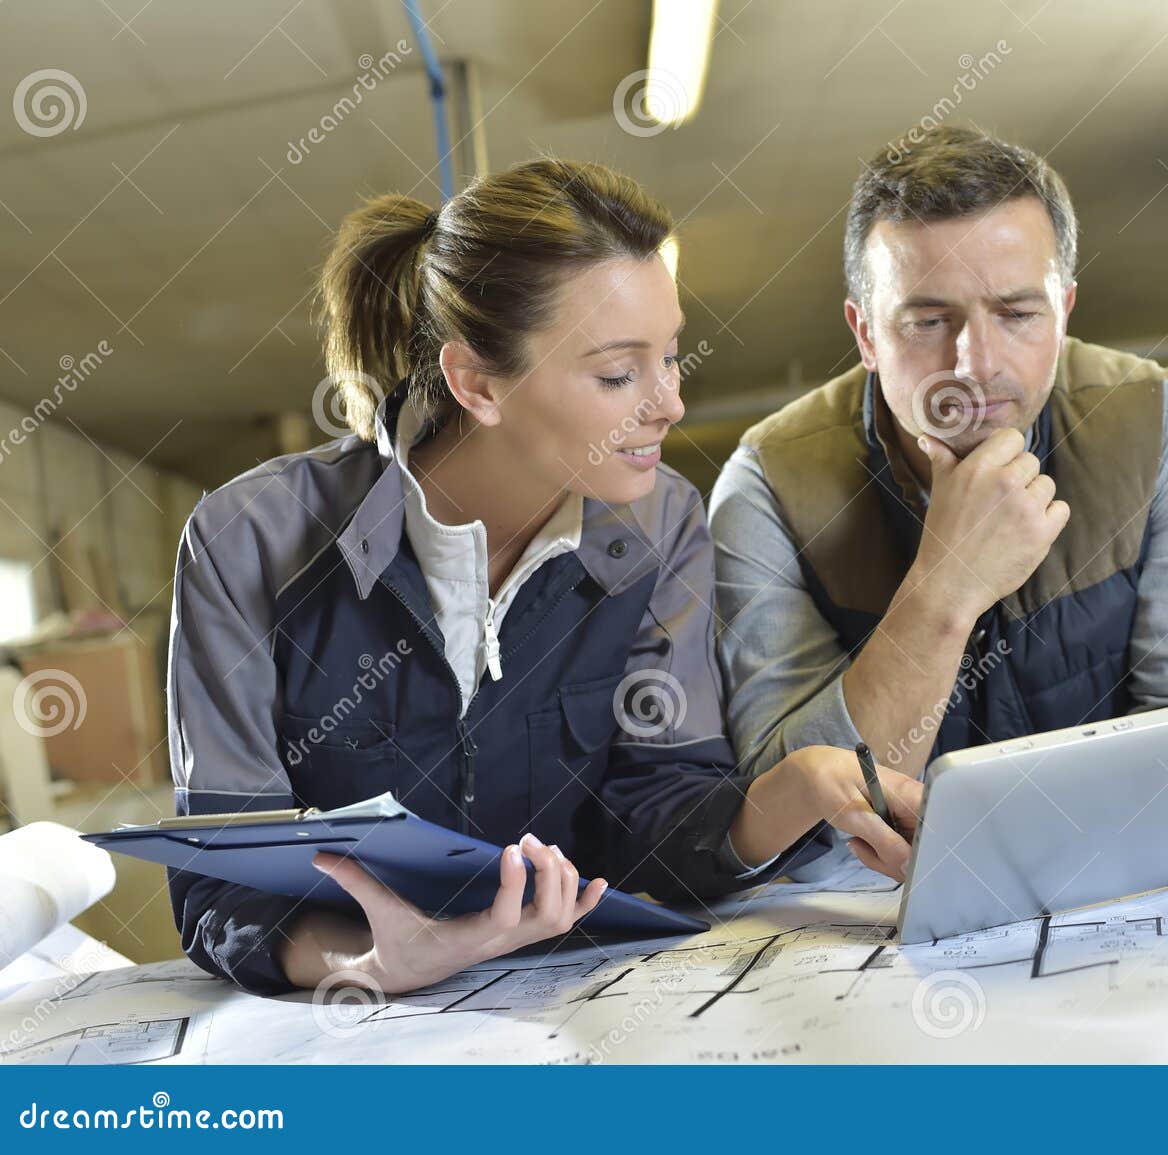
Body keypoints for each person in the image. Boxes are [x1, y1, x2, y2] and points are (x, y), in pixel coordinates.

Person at [165, 159, 920, 998]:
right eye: (617, 374)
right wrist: (372, 958)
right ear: (476, 383)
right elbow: (220, 882)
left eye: (669, 358)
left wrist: (794, 787)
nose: (668, 402)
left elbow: (655, 813)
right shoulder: (249, 540)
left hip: (581, 1012)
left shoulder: (661, 522)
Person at [709, 125, 1168, 881]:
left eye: (1017, 314)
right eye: (928, 321)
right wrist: (945, 588)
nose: (976, 365)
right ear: (865, 332)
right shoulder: (768, 483)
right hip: (869, 931)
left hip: (1117, 904)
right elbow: (791, 833)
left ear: (1064, 311)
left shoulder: (1153, 425)